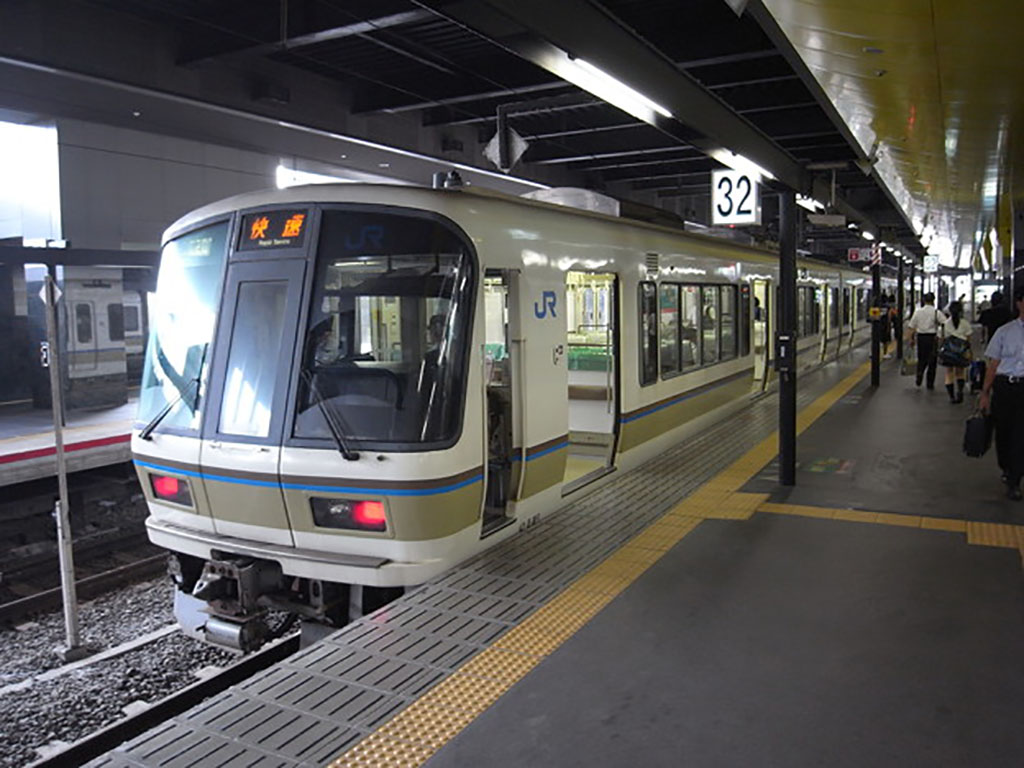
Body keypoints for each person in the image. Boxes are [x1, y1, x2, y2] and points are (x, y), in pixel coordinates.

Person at [979, 286, 1024, 500]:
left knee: (1020, 435)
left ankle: (1015, 479)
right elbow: (993, 365)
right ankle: (1007, 467)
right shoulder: (1005, 332)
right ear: (1018, 303)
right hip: (1005, 387)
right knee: (1004, 431)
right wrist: (985, 393)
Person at [906, 293, 946, 389]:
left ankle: (919, 374)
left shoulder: (918, 312)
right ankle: (930, 383)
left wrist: (911, 339)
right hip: (932, 338)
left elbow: (911, 327)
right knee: (932, 360)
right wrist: (942, 336)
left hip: (921, 338)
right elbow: (945, 323)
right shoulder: (937, 312)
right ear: (933, 300)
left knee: (921, 358)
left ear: (924, 300)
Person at [939, 300, 971, 403]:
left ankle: (951, 397)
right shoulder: (965, 323)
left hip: (948, 352)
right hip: (961, 352)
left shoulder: (945, 324)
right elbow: (968, 338)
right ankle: (960, 392)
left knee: (949, 373)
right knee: (960, 372)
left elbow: (941, 338)